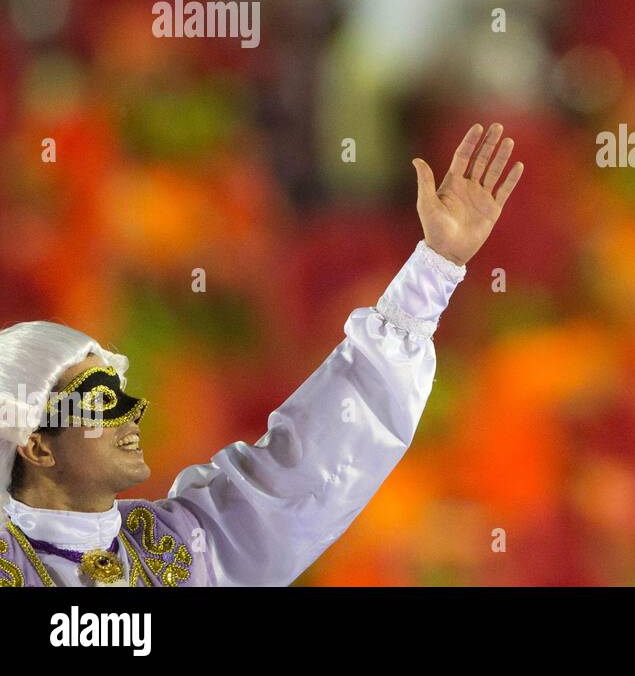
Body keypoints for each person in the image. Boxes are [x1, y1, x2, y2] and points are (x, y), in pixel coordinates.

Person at [0, 123, 522, 587]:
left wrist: (436, 266)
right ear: (36, 445)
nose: (130, 412)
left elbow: (308, 470)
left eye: (118, 392)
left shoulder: (179, 551)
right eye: (98, 401)